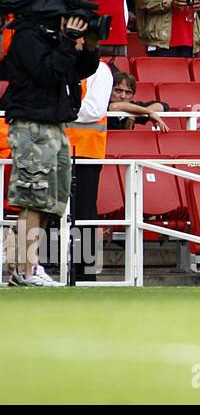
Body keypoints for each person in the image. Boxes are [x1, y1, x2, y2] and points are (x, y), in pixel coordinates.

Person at [3, 6, 101, 286]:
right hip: (32, 124)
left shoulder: (59, 42)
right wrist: (68, 42)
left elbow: (80, 70)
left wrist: (89, 46)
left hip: (55, 124)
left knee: (49, 202)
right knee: (33, 197)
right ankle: (24, 269)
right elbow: (47, 72)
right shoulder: (28, 36)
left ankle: (31, 267)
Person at [66, 57, 114, 283]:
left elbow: (94, 111)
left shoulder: (100, 70)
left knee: (83, 213)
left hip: (86, 152)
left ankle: (84, 273)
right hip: (57, 149)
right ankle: (54, 266)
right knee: (54, 212)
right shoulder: (62, 64)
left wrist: (58, 109)